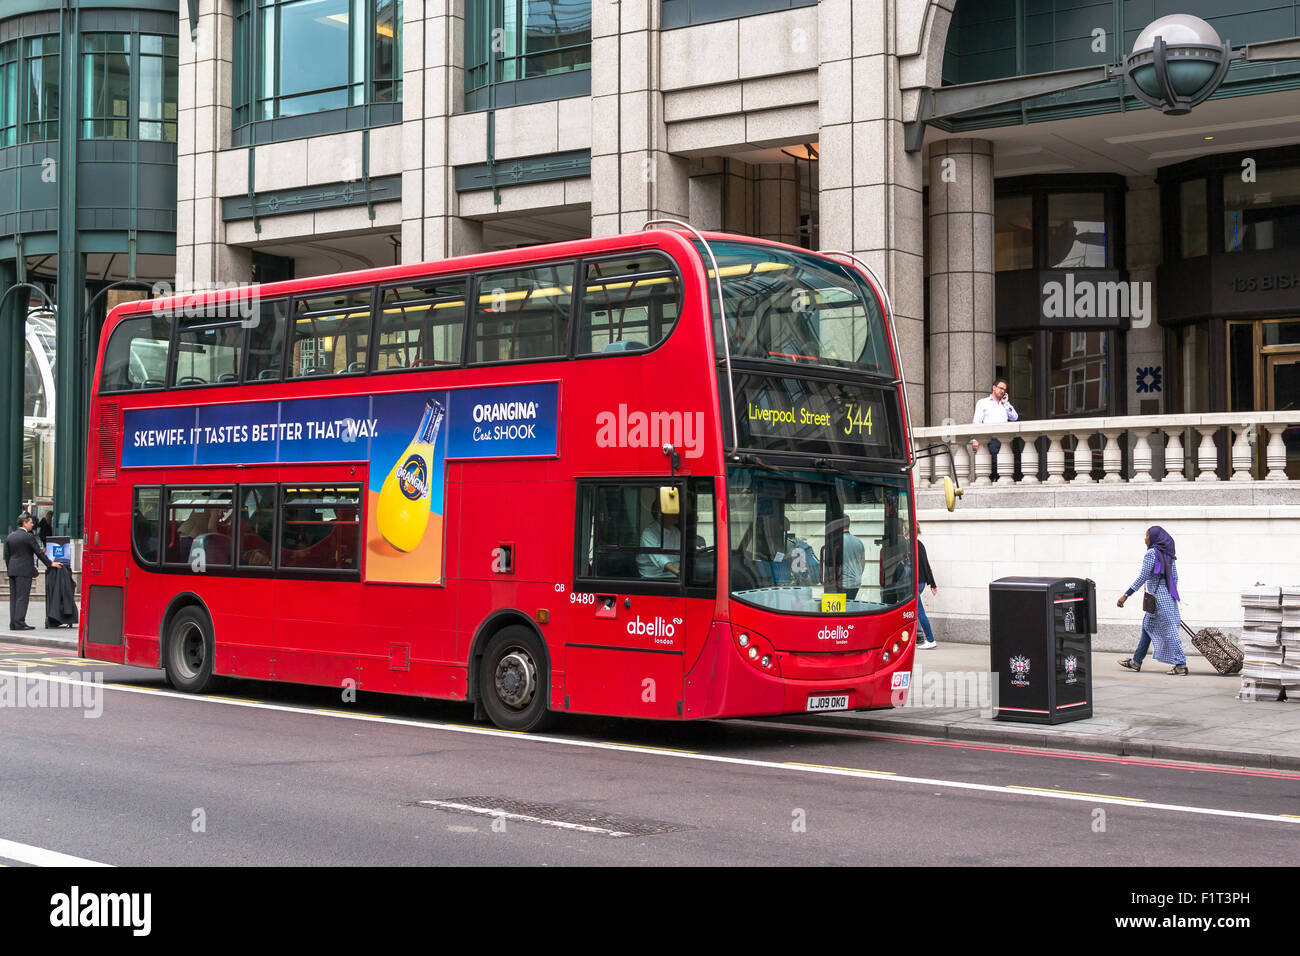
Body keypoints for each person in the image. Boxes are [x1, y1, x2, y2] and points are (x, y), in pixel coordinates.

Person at [1117, 526, 1187, 675]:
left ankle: (1180, 664)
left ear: (1154, 537)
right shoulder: (1168, 554)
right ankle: (1136, 661)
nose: (1145, 538)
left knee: (1170, 631)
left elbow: (1143, 576)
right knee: (1147, 626)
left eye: (1147, 535)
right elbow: (1175, 578)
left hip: (1157, 599)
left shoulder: (1151, 554)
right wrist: (1170, 595)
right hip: (1167, 596)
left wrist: (1126, 594)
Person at [5, 512, 63, 631]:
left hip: (12, 570)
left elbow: (6, 555)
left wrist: (10, 568)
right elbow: (39, 552)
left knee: (14, 597)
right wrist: (50, 563)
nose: (32, 525)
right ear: (25, 523)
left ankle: (14, 623)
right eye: (31, 522)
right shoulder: (28, 537)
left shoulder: (10, 536)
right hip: (24, 571)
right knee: (22, 597)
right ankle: (20, 623)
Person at [971, 378, 1018, 476]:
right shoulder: (983, 403)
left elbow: (1014, 417)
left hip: (1004, 440)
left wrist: (1006, 403)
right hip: (990, 440)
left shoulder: (1004, 405)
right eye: (1001, 388)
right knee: (993, 466)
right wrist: (975, 440)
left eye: (1004, 389)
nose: (1002, 391)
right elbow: (977, 422)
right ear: (994, 388)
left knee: (1005, 468)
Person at [637, 499, 682, 579]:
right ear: (660, 515)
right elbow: (661, 559)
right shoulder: (649, 534)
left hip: (675, 576)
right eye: (672, 511)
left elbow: (681, 551)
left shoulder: (676, 532)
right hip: (655, 578)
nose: (677, 514)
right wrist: (678, 573)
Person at [916, 523, 938, 649]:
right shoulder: (920, 545)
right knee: (914, 611)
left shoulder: (911, 545)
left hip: (914, 584)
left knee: (920, 612)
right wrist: (932, 584)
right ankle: (918, 636)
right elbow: (926, 565)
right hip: (921, 583)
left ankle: (930, 639)